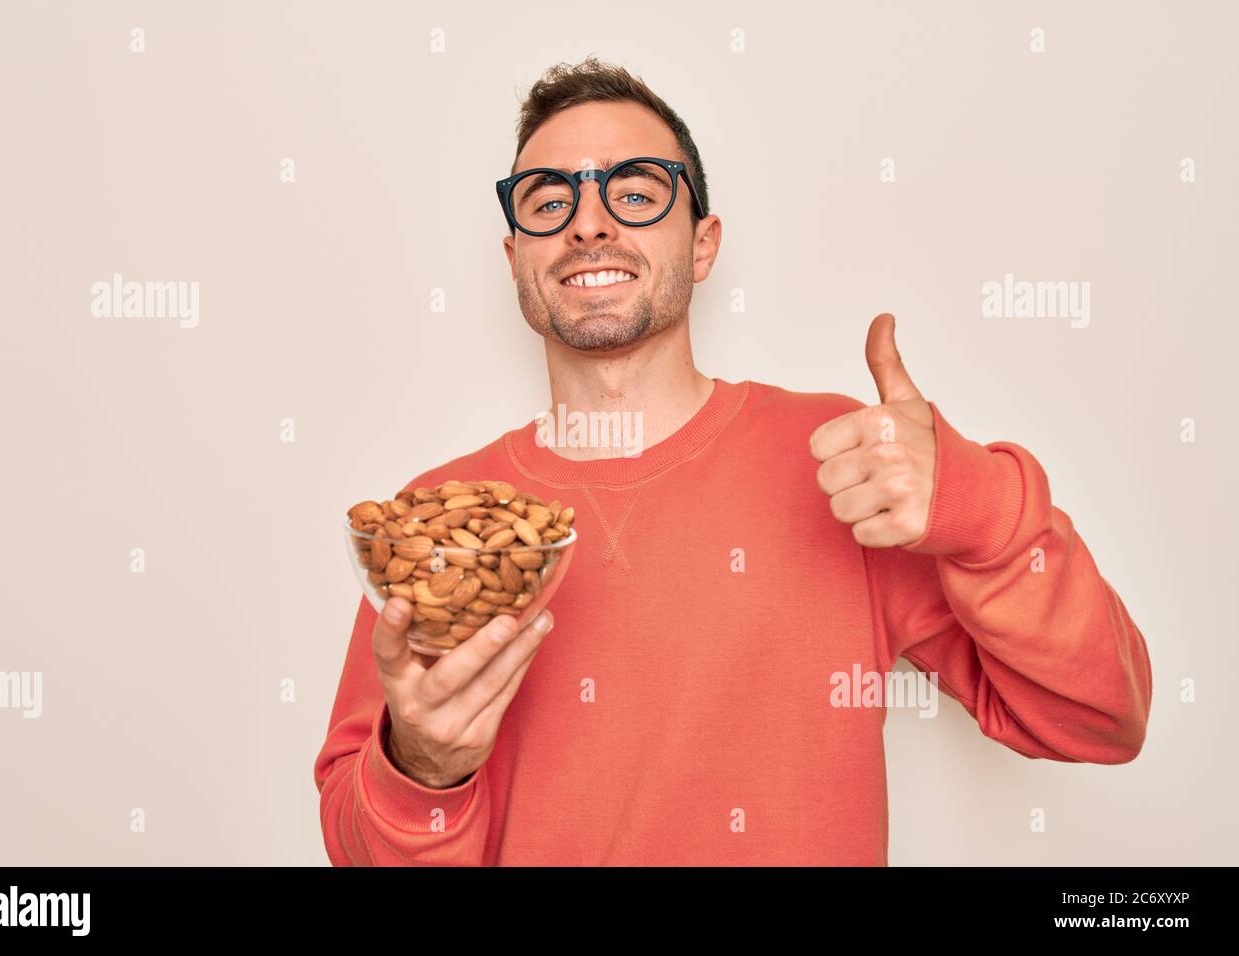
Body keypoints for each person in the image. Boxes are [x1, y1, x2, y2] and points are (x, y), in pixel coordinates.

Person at [313, 56, 1151, 866]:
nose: (589, 222)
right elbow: (359, 849)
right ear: (516, 261)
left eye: (635, 193)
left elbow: (1099, 719)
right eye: (548, 200)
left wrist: (983, 509)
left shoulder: (846, 465)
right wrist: (423, 766)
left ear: (704, 244)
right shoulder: (434, 521)